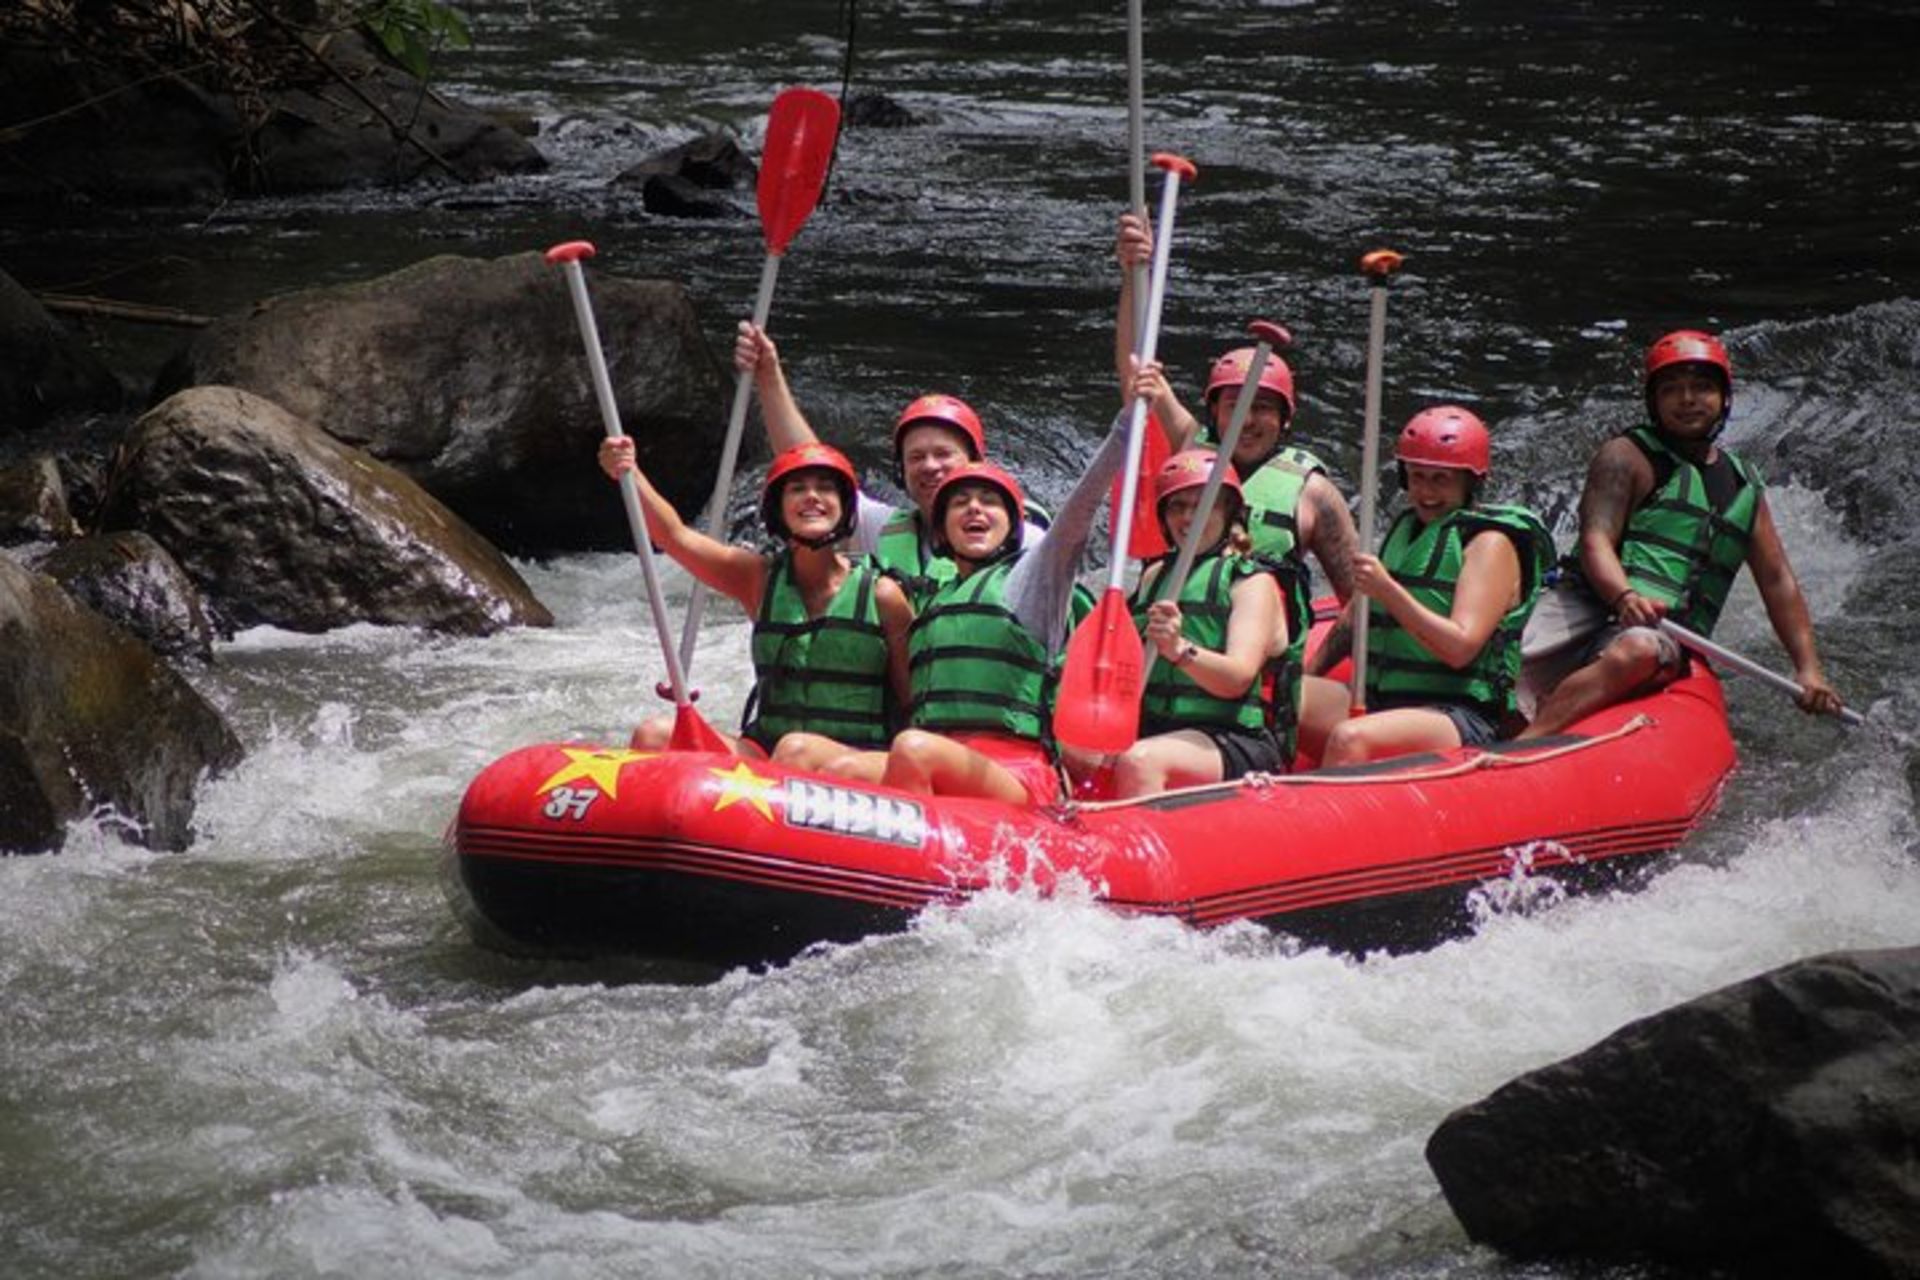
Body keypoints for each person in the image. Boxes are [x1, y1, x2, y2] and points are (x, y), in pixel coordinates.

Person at [781, 406, 1134, 804]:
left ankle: (916, 858)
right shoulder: (934, 594)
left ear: (1012, 524)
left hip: (1014, 771)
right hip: (935, 754)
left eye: (988, 502)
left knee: (913, 748)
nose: (974, 509)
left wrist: (1124, 429)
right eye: (961, 503)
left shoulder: (1030, 584)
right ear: (943, 528)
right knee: (822, 760)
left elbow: (1078, 516)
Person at [1518, 330, 1844, 737]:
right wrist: (1625, 597)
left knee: (1636, 649)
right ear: (1654, 402)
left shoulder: (1745, 487)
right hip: (1586, 603)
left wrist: (1808, 668)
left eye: (1702, 388)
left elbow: (1777, 580)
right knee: (1504, 667)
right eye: (1672, 390)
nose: (1687, 399)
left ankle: (1525, 747)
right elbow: (1594, 541)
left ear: (1724, 398)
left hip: (1661, 633)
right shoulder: (1625, 456)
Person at [597, 437, 913, 759]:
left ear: (845, 507)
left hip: (853, 760)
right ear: (779, 509)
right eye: (797, 489)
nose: (812, 497)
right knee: (653, 734)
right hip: (769, 753)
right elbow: (674, 537)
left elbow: (910, 701)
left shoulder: (882, 595)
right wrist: (630, 472)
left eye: (826, 488)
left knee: (796, 751)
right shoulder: (757, 579)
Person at [1112, 212, 1359, 603]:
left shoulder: (1315, 493)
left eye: (1261, 408)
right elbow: (1136, 368)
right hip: (1175, 635)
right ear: (1214, 414)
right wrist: (1133, 271)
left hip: (1260, 650)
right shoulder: (1192, 446)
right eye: (1233, 406)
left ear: (1285, 419)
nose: (1246, 420)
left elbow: (1357, 601)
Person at [732, 324, 1048, 606]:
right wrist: (769, 377)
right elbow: (807, 463)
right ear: (901, 471)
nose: (929, 466)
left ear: (976, 463)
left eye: (943, 454)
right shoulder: (882, 530)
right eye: (916, 457)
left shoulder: (1028, 544)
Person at [1310, 406, 1553, 766]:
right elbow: (1359, 614)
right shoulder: (1407, 530)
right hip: (1382, 699)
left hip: (1457, 715)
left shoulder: (1490, 544)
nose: (1426, 492)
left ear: (1470, 482)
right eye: (1418, 476)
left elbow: (1460, 647)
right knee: (1273, 696)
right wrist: (1306, 673)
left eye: (1441, 479)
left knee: (1350, 738)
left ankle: (1326, 817)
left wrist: (1388, 590)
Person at [1102, 448, 1313, 799]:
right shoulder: (1156, 576)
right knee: (1075, 749)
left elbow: (1237, 678)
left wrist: (1179, 649)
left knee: (1141, 761)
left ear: (1228, 512)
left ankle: (1149, 851)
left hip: (1232, 738)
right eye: (1177, 506)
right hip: (1158, 726)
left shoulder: (1251, 584)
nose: (1188, 518)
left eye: (1202, 506)